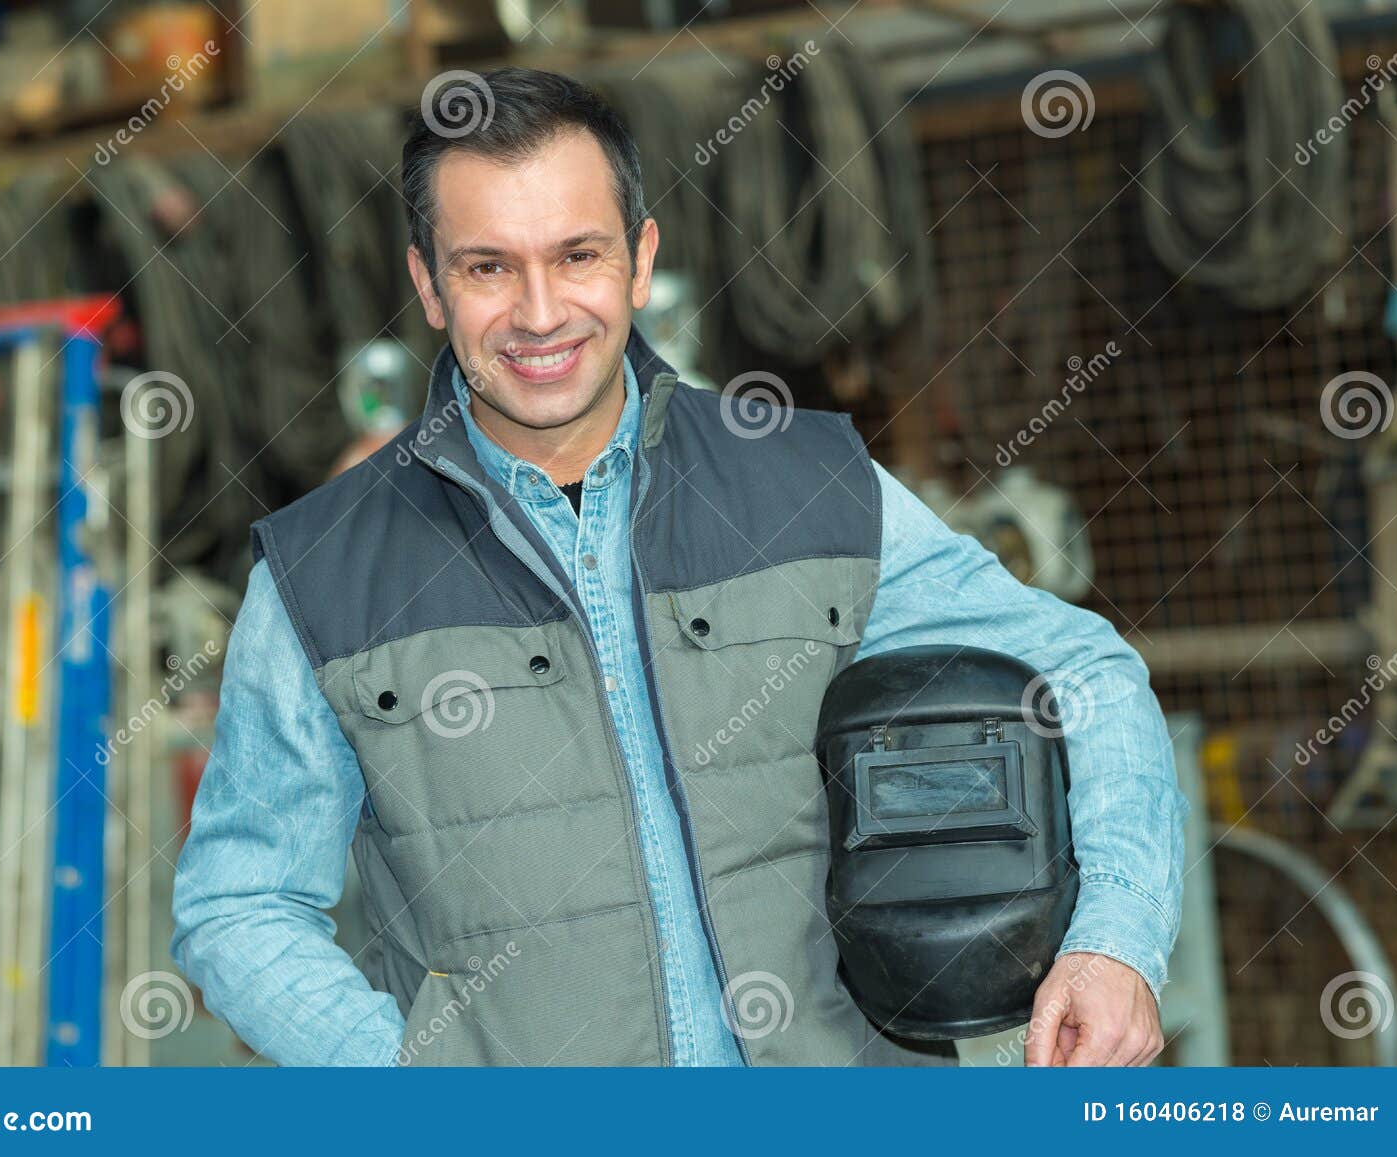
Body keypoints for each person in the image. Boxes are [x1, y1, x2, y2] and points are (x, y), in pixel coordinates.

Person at [170, 67, 1186, 1067]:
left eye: (577, 254)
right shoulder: (321, 572)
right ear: (429, 285)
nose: (539, 312)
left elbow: (1084, 672)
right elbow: (240, 903)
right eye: (487, 267)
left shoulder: (807, 486)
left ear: (641, 259)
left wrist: (1115, 940)